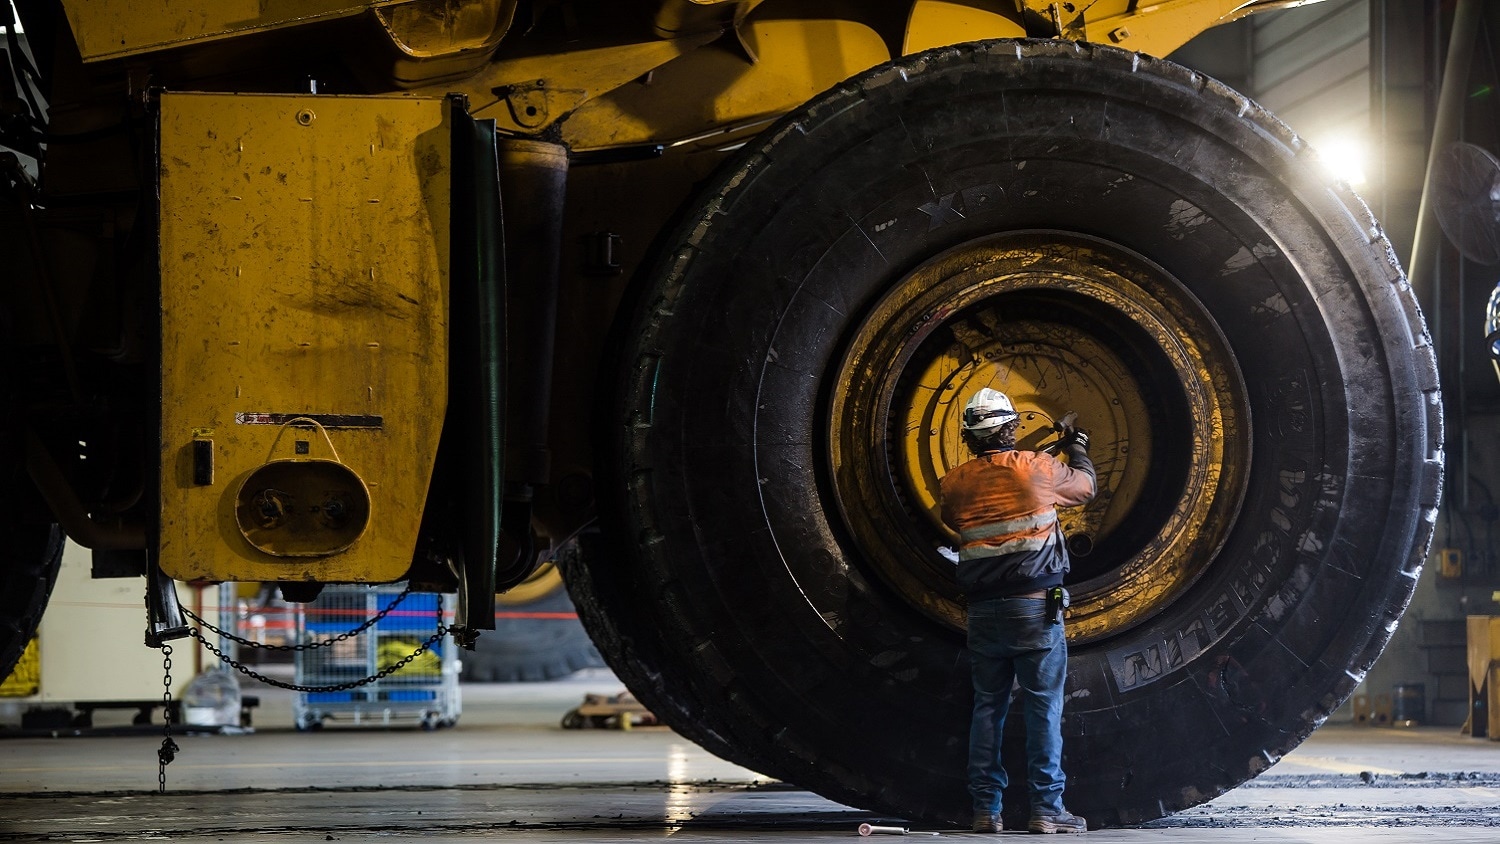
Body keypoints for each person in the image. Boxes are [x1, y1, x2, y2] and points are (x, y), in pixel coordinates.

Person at [939, 387, 1096, 834]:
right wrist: (1077, 447)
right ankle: (1047, 809)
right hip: (1034, 609)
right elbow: (1085, 488)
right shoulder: (1038, 467)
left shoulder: (954, 483)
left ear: (970, 436)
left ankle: (986, 810)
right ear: (1011, 427)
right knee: (1042, 707)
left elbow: (958, 518)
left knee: (988, 707)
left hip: (983, 612)